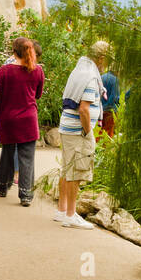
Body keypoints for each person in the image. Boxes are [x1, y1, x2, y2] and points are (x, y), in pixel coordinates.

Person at [55, 40, 109, 229]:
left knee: (67, 168)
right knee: (76, 172)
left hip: (67, 127)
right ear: (101, 58)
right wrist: (87, 132)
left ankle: (62, 210)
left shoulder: (79, 69)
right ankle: (71, 214)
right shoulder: (91, 78)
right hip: (78, 130)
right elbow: (84, 109)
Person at [0, 36, 44, 206]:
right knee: (27, 157)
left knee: (7, 153)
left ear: (14, 52)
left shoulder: (5, 71)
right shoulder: (37, 71)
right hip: (28, 118)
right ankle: (26, 194)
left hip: (8, 118)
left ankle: (1, 186)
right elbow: (38, 94)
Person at [98, 51, 121, 139]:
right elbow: (114, 98)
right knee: (108, 134)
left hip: (99, 110)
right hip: (109, 112)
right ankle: (104, 151)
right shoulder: (115, 80)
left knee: (99, 133)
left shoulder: (102, 77)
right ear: (117, 71)